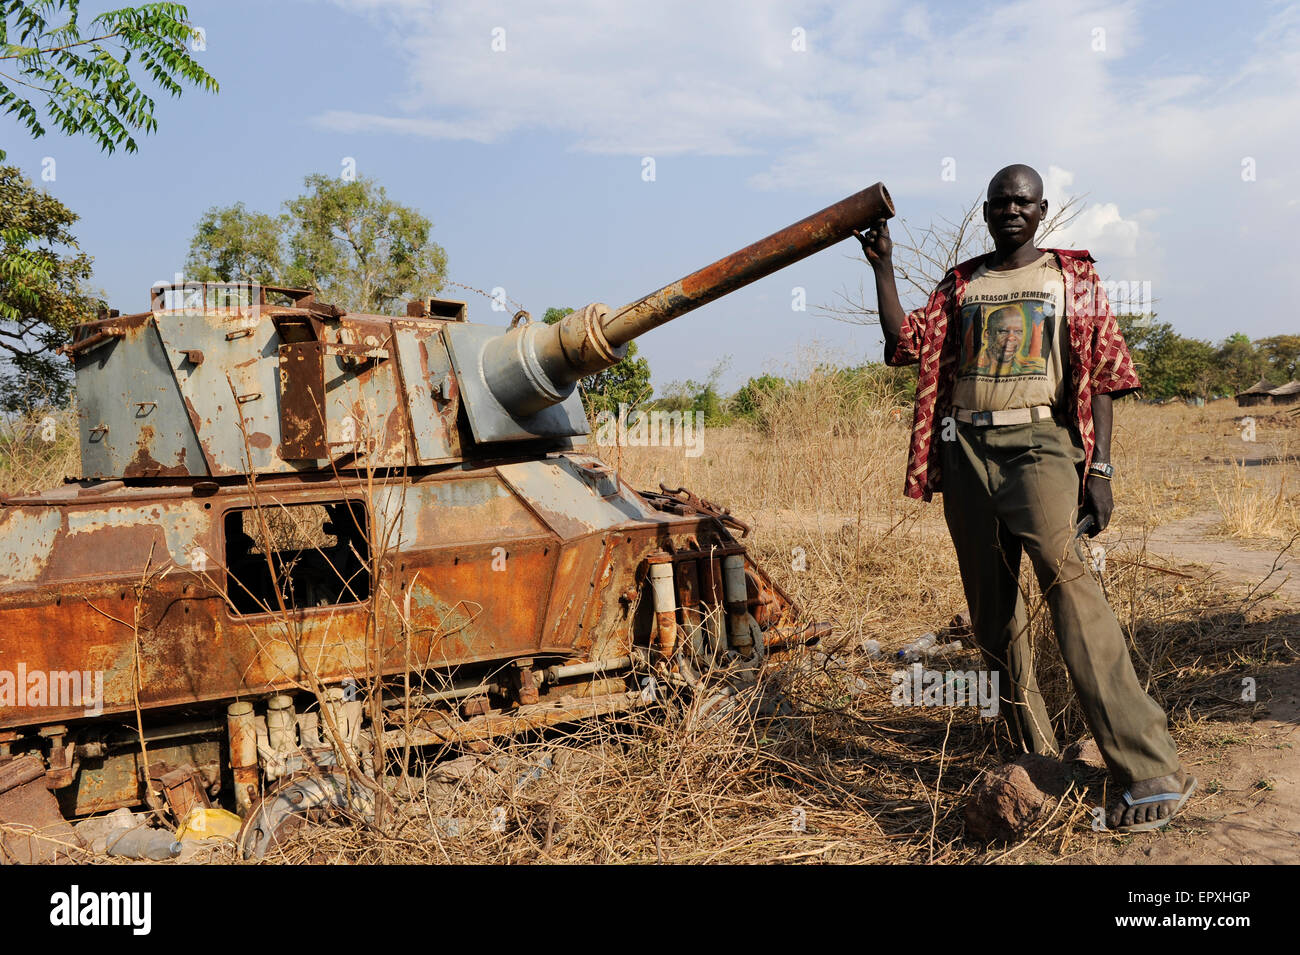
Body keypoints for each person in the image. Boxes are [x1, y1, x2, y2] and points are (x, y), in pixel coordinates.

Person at [857, 163, 1196, 832]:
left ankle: (1149, 765)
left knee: (1073, 593)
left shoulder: (1071, 276)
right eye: (1000, 202)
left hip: (1042, 447)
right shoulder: (962, 283)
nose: (1011, 210)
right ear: (986, 212)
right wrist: (884, 268)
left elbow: (1103, 374)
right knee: (993, 616)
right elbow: (905, 345)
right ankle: (1032, 755)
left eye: (1023, 201)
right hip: (967, 451)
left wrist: (1100, 467)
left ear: (1041, 211)